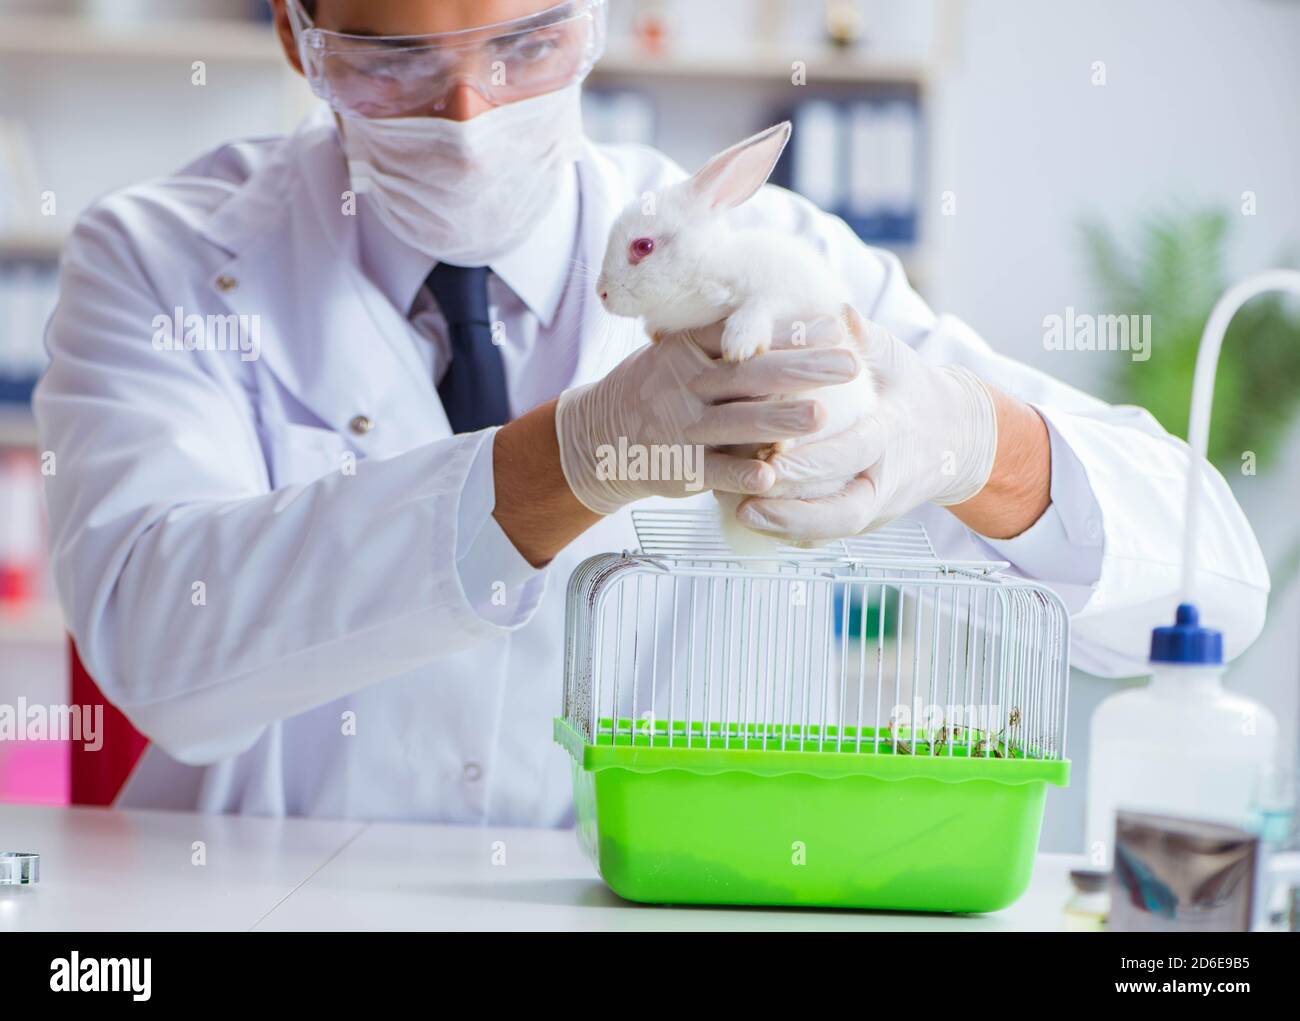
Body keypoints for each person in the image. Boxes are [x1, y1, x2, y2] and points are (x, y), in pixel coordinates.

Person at [34, 0, 1267, 825]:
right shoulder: (161, 260)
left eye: (528, 44)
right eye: (392, 59)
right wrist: (571, 455)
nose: (469, 114)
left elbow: (1211, 586)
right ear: (301, 39)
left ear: (599, 16)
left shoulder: (769, 258)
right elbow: (156, 654)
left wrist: (964, 440)